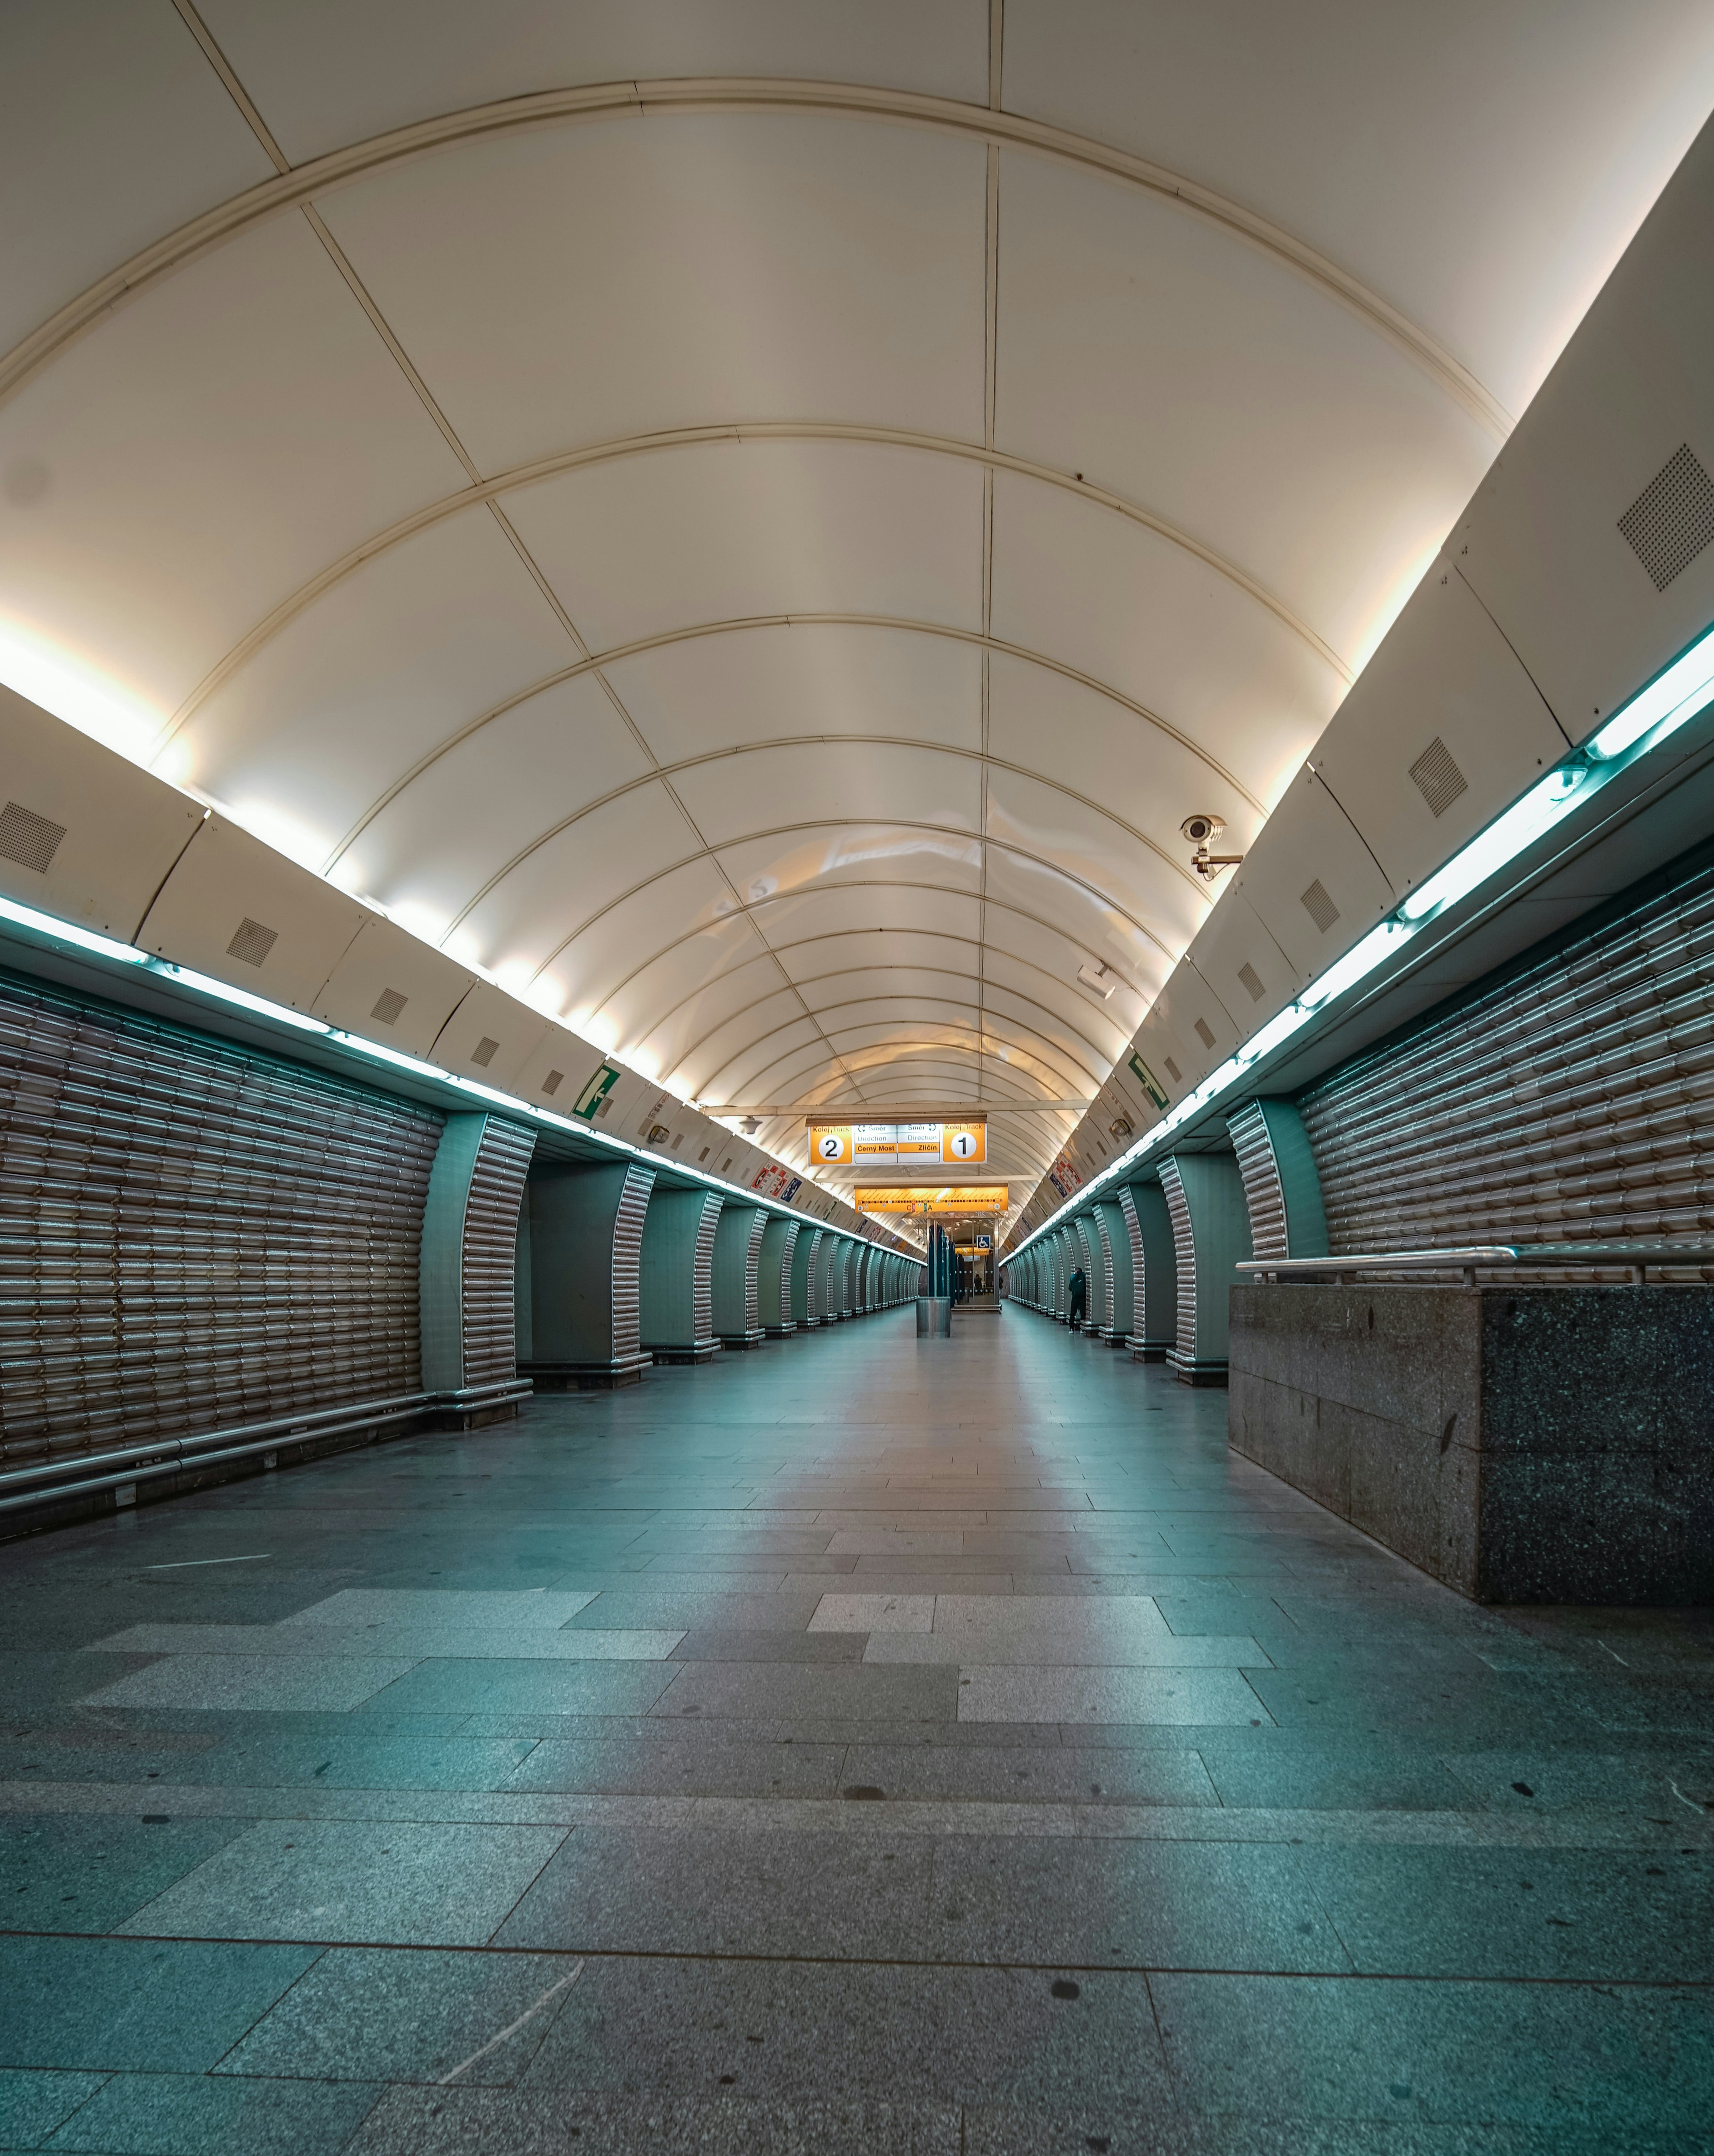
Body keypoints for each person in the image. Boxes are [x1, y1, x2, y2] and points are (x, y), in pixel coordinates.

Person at [1067, 1266, 1087, 1331]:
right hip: (1083, 1297)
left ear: (1076, 1271)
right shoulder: (1084, 1276)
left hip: (1075, 1297)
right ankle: (1083, 1329)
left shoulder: (1073, 1277)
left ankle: (1071, 1328)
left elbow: (1070, 1288)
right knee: (1083, 1312)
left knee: (1073, 1313)